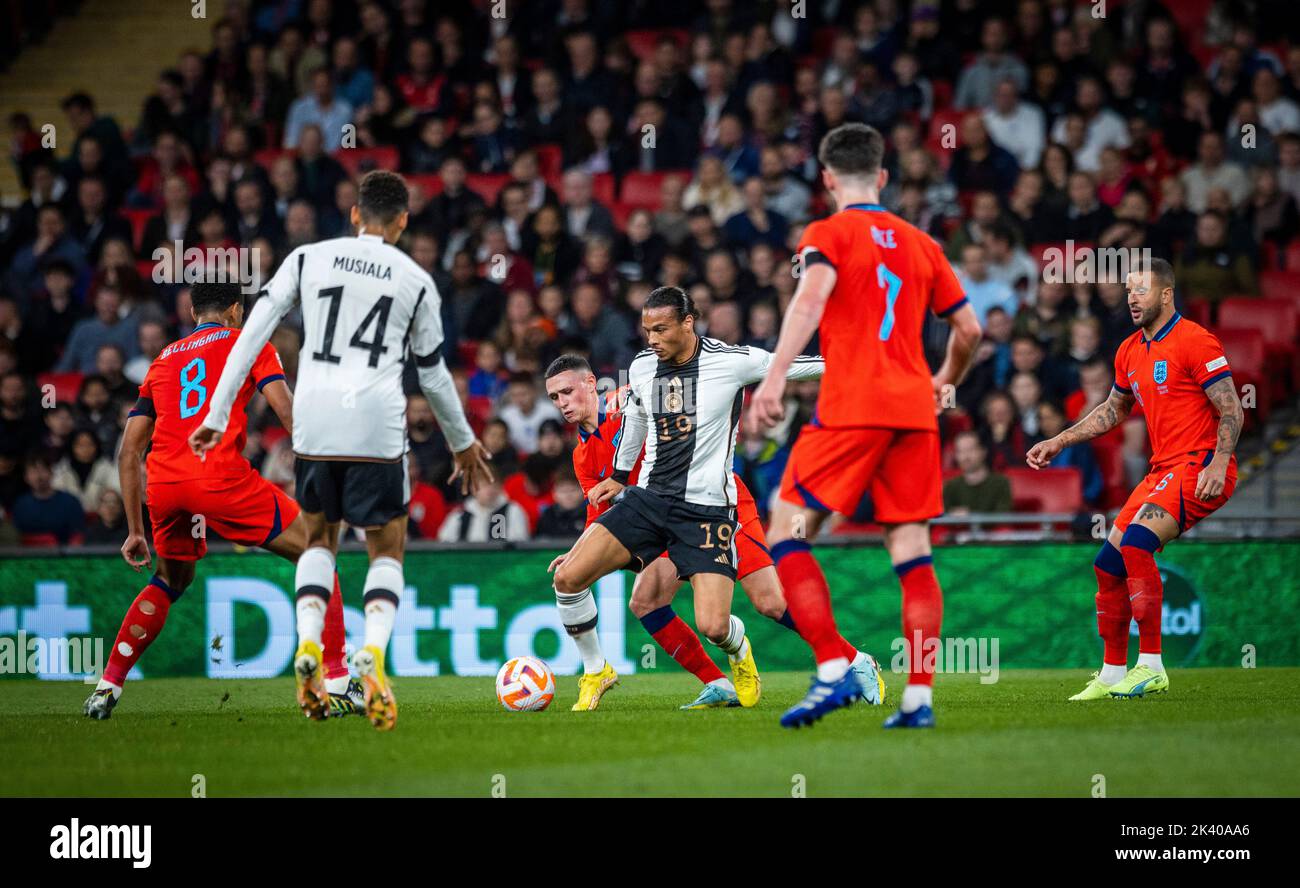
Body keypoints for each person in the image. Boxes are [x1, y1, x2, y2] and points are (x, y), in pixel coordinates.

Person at [191, 171, 493, 731]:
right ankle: (371, 653)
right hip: (376, 421)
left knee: (318, 535)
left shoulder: (308, 258)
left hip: (315, 414)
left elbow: (254, 330)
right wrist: (462, 442)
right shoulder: (417, 280)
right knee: (385, 548)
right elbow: (432, 375)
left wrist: (216, 409)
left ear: (355, 215)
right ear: (402, 221)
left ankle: (308, 647)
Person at [748, 122, 982, 729]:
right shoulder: (921, 242)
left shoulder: (827, 232)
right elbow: (971, 331)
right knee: (911, 548)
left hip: (851, 407)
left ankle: (832, 668)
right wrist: (940, 380)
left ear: (827, 179)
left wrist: (773, 379)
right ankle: (918, 700)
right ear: (881, 176)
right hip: (913, 412)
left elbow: (810, 297)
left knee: (787, 530)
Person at [543, 354, 883, 711]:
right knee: (645, 601)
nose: (562, 403)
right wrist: (581, 549)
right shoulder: (582, 455)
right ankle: (717, 683)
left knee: (769, 603)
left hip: (720, 504)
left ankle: (855, 659)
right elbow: (599, 505)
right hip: (666, 517)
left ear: (591, 384)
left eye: (567, 392)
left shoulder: (630, 399)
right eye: (554, 398)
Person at [82, 282, 357, 721]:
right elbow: (287, 415)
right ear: (235, 310)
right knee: (317, 550)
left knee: (169, 581)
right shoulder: (251, 344)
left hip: (166, 488)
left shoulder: (162, 360)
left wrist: (136, 529)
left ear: (193, 313)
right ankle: (341, 683)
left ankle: (107, 686)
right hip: (218, 478)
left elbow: (129, 451)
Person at [1028, 259, 1242, 701]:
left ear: (1166, 294)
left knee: (1136, 546)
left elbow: (1232, 407)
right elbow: (1113, 410)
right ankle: (1111, 672)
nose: (1131, 298)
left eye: (1140, 290)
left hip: (1198, 465)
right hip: (1161, 471)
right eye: (1128, 290)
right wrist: (1059, 440)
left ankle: (1152, 666)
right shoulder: (1129, 350)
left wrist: (1219, 462)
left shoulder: (1195, 341)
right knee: (1107, 566)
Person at [943, 431, 1013, 514]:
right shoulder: (950, 486)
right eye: (960, 451)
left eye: (970, 450)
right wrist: (952, 515)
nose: (965, 456)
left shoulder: (1001, 483)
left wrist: (970, 517)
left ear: (983, 451)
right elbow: (942, 516)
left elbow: (1003, 517)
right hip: (961, 527)